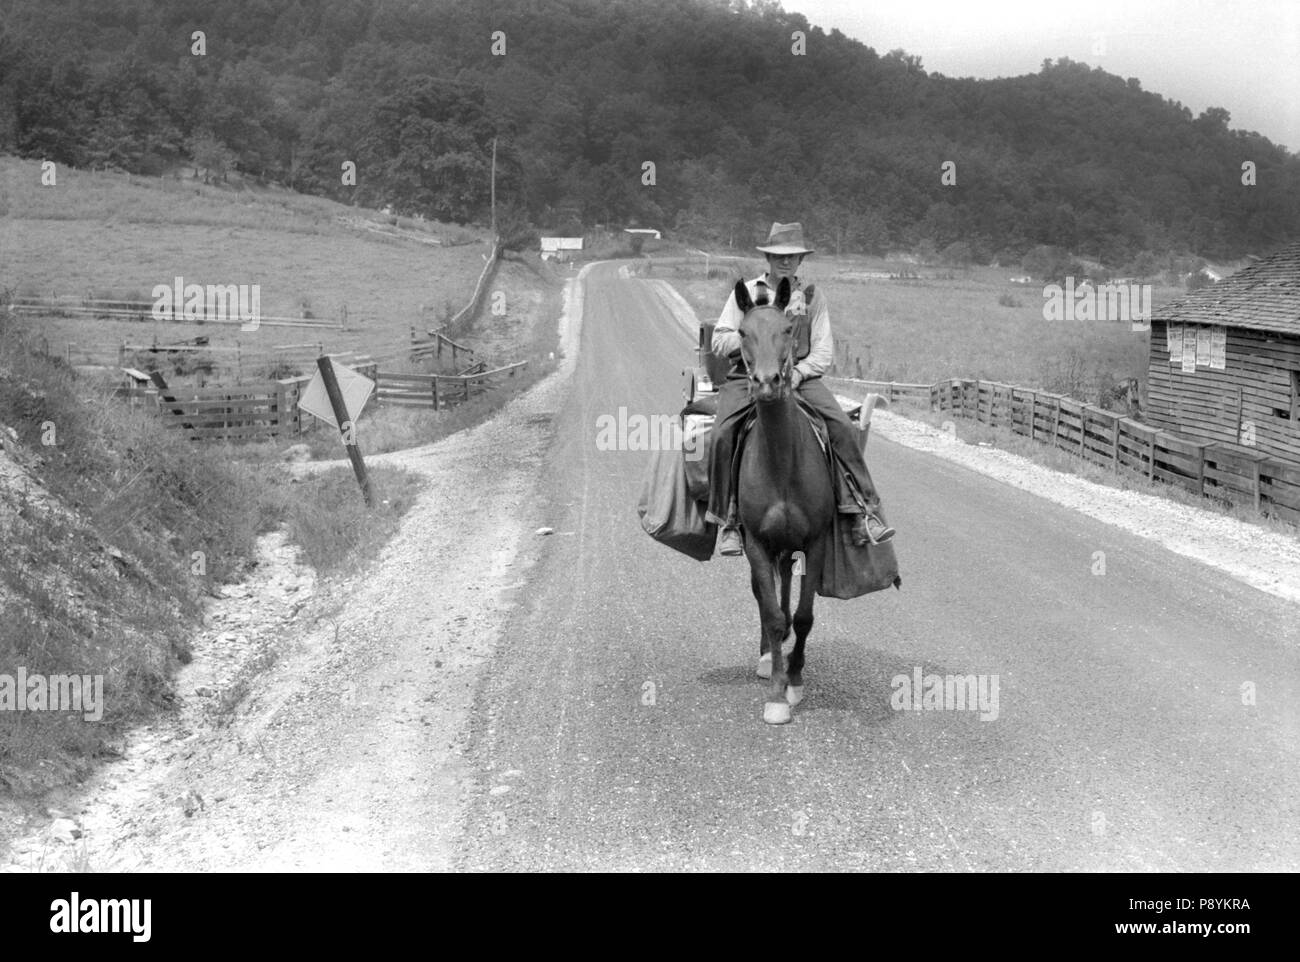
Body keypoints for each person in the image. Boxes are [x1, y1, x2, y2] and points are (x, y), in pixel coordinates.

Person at [706, 221, 895, 557]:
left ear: (800, 260)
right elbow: (719, 338)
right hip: (748, 377)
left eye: (792, 256)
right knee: (722, 433)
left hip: (799, 379)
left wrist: (798, 374)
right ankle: (729, 521)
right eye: (779, 255)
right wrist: (755, 337)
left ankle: (862, 510)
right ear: (767, 257)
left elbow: (823, 351)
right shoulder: (746, 293)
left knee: (841, 427)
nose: (785, 261)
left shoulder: (811, 297)